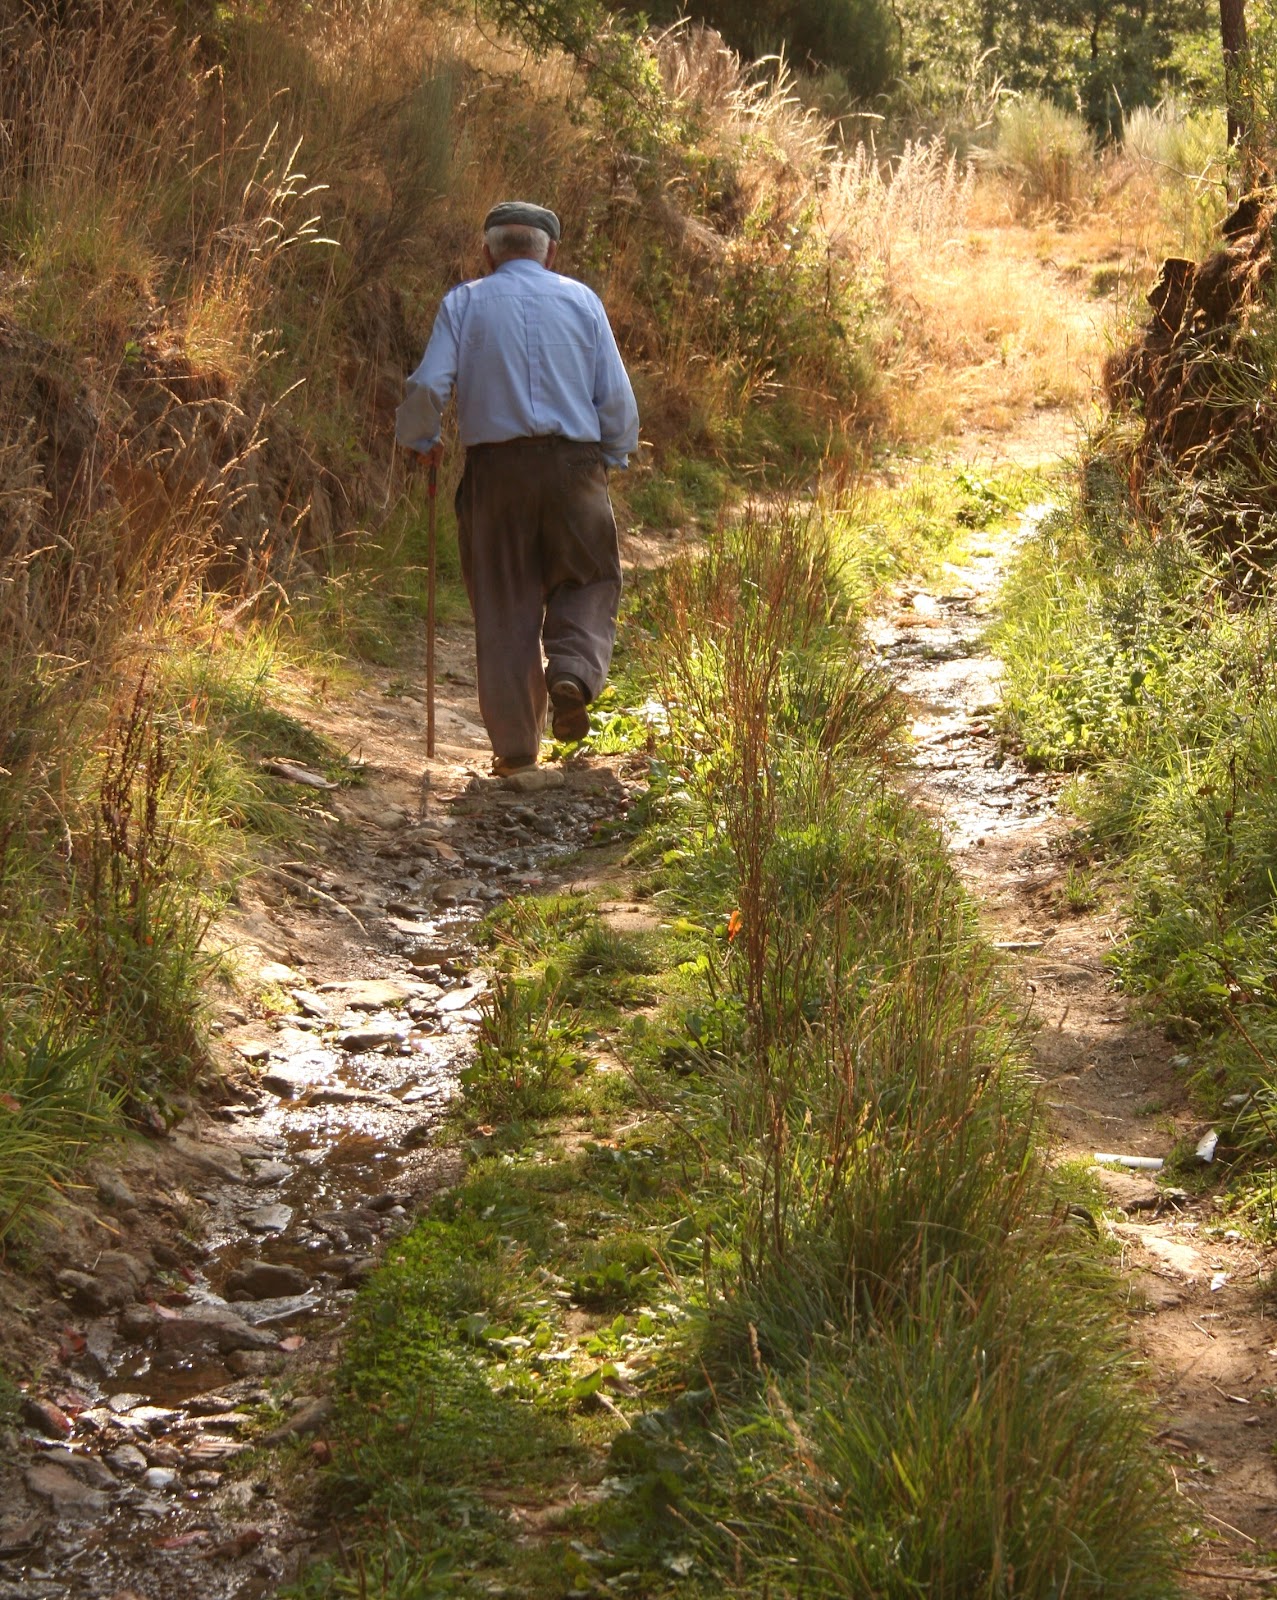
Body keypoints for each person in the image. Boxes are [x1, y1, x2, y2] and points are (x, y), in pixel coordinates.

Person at [396, 201, 640, 777]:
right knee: (588, 577)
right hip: (574, 467)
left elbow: (429, 385)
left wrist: (421, 438)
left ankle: (515, 750)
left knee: (503, 605)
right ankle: (573, 671)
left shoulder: (464, 302)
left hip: (495, 475)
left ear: (488, 252)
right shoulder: (583, 302)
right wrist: (611, 455)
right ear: (550, 253)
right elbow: (618, 401)